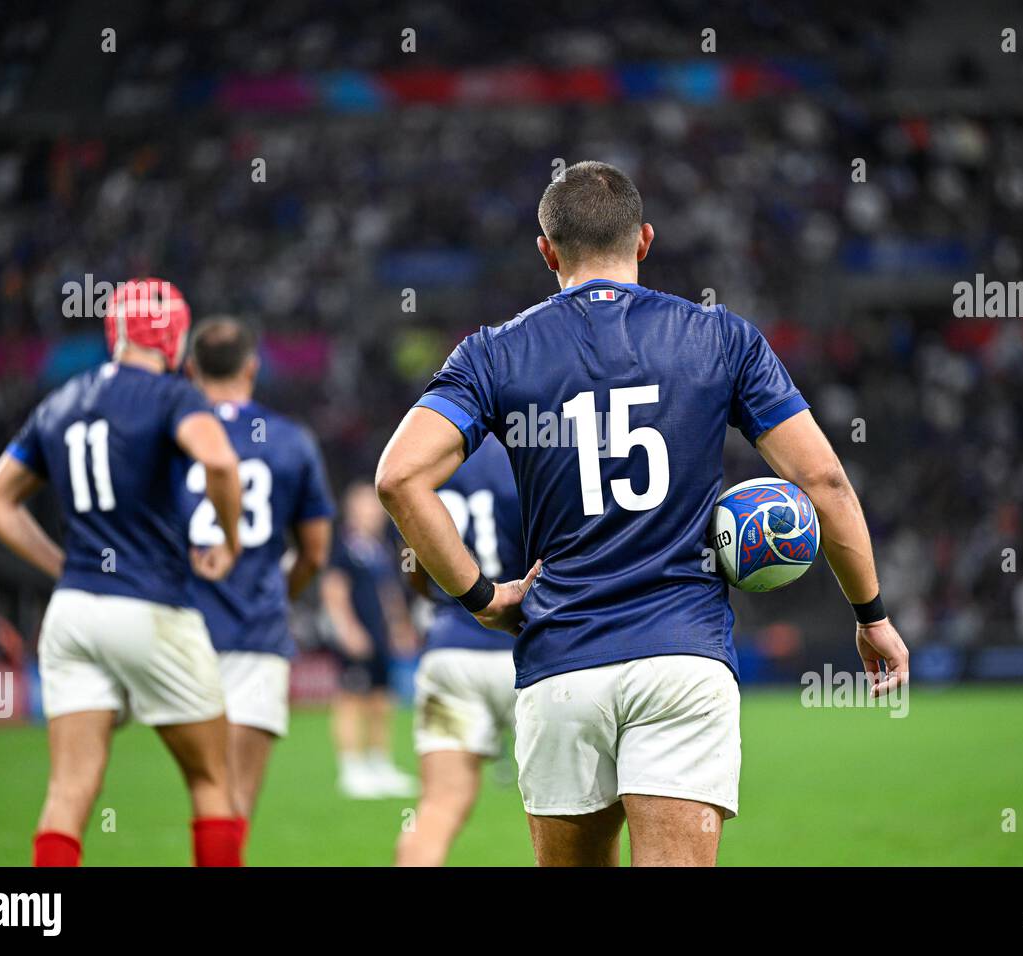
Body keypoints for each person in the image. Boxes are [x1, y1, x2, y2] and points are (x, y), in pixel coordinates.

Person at [375, 161, 909, 866]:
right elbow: (826, 482)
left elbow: (399, 477)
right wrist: (870, 614)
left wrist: (481, 598)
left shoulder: (494, 352)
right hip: (682, 658)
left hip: (561, 661)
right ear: (646, 240)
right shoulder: (721, 338)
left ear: (547, 251)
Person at [0, 278, 246, 867]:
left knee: (69, 792)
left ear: (114, 331)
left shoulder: (61, 401)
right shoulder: (174, 396)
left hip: (72, 612)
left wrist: (59, 564)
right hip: (151, 605)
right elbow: (222, 461)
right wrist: (229, 540)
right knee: (211, 781)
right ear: (175, 338)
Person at [180, 316, 335, 830]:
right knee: (235, 800)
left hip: (179, 631)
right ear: (252, 366)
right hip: (255, 629)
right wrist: (280, 593)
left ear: (189, 369)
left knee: (203, 792)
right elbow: (314, 552)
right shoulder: (290, 441)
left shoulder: (170, 437)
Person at [395, 434, 523, 866]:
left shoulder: (430, 453)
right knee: (572, 811)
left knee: (436, 807)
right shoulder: (526, 450)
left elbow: (411, 556)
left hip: (451, 649)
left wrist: (443, 595)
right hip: (528, 652)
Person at [321, 482, 418, 798]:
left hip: (380, 637)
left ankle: (379, 763)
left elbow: (390, 592)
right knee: (351, 700)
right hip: (357, 636)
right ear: (351, 509)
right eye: (365, 505)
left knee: (381, 700)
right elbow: (334, 589)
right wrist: (347, 629)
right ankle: (351, 767)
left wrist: (399, 626)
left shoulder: (381, 548)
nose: (372, 512)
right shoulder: (343, 546)